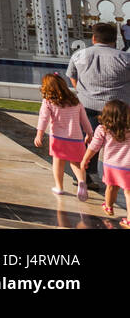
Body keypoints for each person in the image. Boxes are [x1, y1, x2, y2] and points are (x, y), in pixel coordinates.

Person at [66, 22, 130, 189]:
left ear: (93, 38)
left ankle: (84, 174)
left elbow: (72, 77)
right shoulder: (124, 58)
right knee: (120, 142)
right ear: (114, 39)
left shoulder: (79, 55)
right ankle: (118, 175)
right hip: (117, 108)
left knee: (88, 139)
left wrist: (85, 91)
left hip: (87, 104)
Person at [34, 72, 92, 199]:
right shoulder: (75, 101)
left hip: (58, 139)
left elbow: (43, 119)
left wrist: (39, 134)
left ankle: (59, 187)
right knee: (76, 163)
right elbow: (84, 119)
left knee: (58, 163)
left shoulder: (48, 102)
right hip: (76, 138)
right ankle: (81, 181)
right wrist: (89, 133)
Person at [80, 99, 130, 222]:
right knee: (128, 192)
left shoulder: (103, 129)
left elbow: (93, 147)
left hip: (111, 166)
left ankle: (108, 207)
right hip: (128, 166)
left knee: (111, 187)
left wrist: (85, 159)